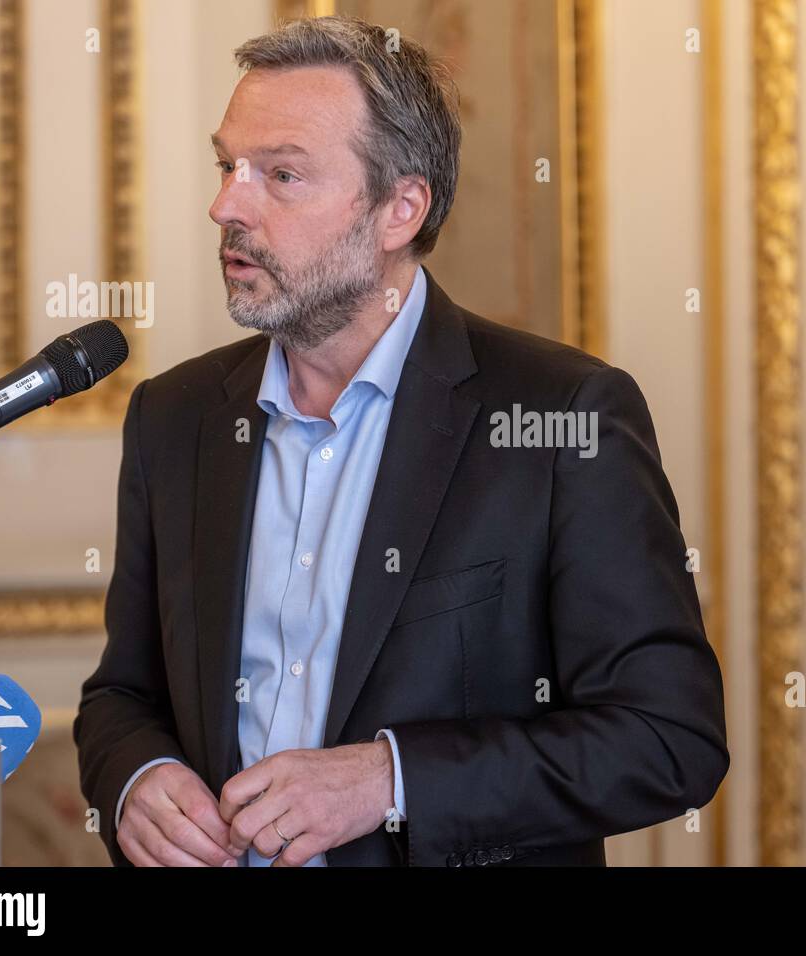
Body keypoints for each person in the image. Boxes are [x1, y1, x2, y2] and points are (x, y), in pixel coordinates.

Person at [74, 14, 727, 868]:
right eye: (227, 166)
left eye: (281, 174)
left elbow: (666, 737)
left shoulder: (566, 415)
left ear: (400, 209)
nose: (226, 206)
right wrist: (137, 776)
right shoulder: (176, 413)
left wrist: (389, 782)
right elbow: (121, 694)